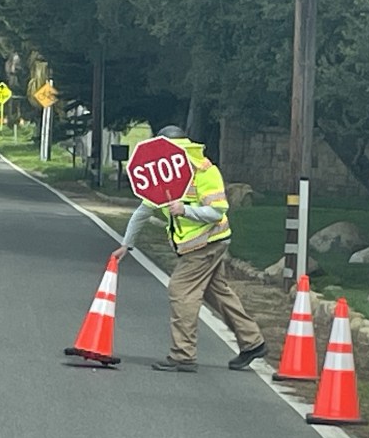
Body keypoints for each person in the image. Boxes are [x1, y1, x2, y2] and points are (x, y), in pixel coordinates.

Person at [112, 125, 268, 373]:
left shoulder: (203, 170)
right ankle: (253, 343)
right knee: (216, 292)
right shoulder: (164, 173)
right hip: (200, 244)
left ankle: (183, 354)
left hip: (207, 242)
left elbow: (217, 211)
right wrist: (126, 244)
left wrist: (185, 210)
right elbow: (143, 211)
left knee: (181, 290)